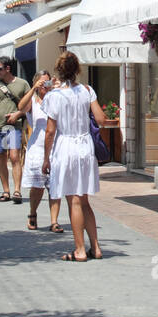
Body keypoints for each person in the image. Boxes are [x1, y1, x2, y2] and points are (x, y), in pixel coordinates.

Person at [41, 51, 108, 262]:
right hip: (85, 146)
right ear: (77, 69)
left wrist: (46, 158)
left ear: (58, 71)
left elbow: (50, 131)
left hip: (66, 146)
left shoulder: (54, 96)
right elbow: (101, 119)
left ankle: (79, 249)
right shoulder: (88, 90)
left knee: (74, 201)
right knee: (85, 200)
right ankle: (95, 247)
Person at [18, 71, 63, 232]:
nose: (45, 86)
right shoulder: (33, 100)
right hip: (37, 147)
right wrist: (32, 89)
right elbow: (21, 107)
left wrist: (59, 88)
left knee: (55, 185)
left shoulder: (56, 97)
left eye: (47, 82)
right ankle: (32, 213)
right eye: (42, 83)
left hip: (56, 145)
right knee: (37, 186)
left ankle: (54, 221)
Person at [0, 57, 30, 203]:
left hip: (13, 127)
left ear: (8, 69)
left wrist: (18, 114)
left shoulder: (22, 84)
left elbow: (28, 105)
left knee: (15, 156)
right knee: (1, 157)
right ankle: (6, 191)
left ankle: (17, 191)